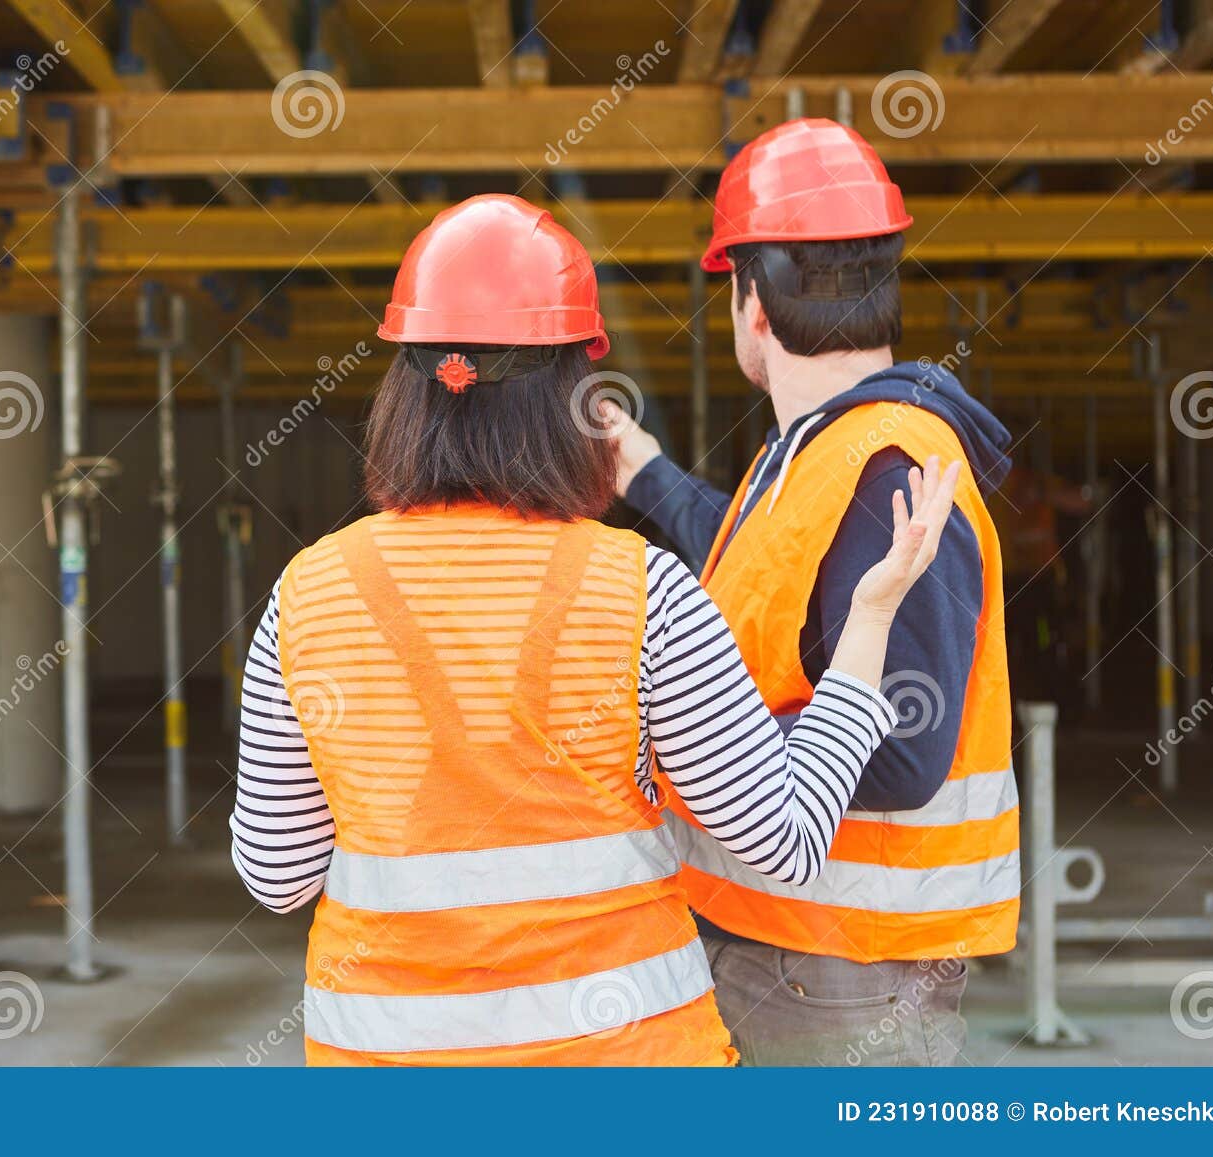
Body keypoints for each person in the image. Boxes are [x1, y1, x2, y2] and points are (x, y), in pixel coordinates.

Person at [229, 192, 962, 1066]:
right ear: (572, 397)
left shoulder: (307, 592)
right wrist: (869, 618)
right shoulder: (644, 591)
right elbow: (786, 837)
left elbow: (276, 875)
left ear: (407, 390)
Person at [600, 119, 1017, 1066]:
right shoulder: (823, 453)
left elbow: (907, 747)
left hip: (842, 973)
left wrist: (697, 745)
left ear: (751, 303)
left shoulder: (893, 466)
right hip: (794, 951)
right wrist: (647, 475)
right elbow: (763, 571)